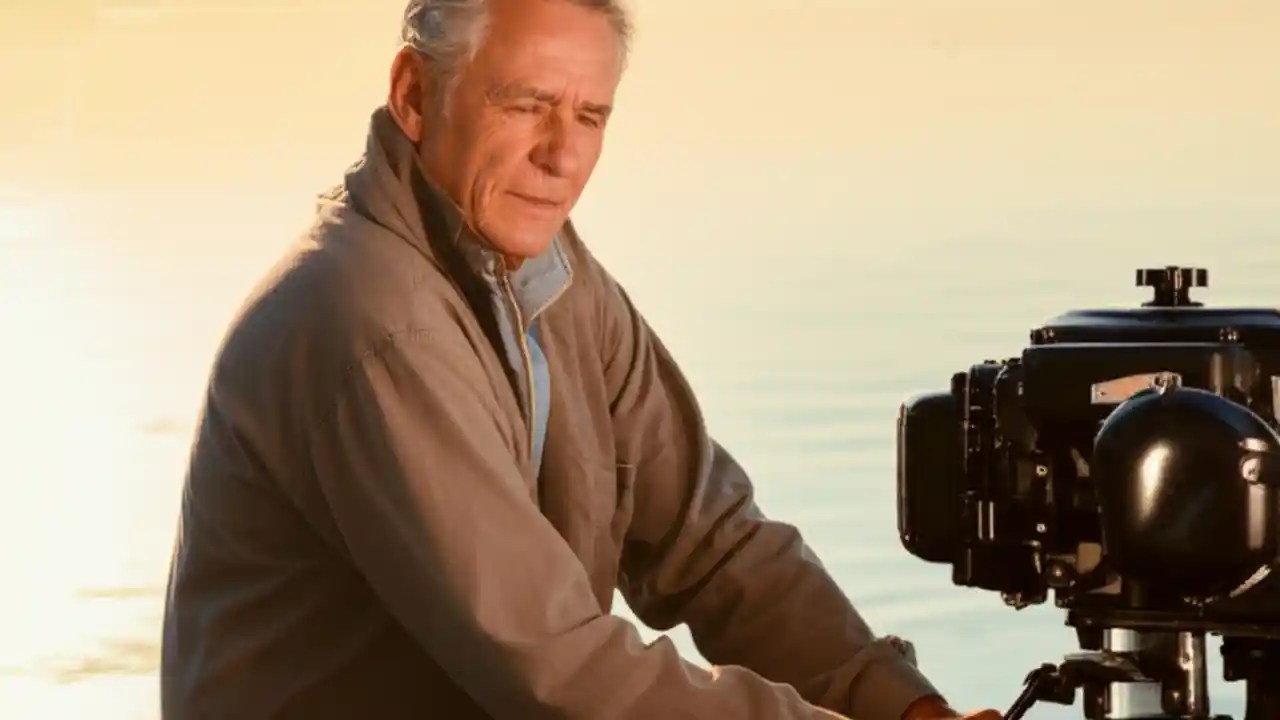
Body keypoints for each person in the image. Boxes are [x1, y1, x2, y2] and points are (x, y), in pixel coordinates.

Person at [159, 1, 1003, 718]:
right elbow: (557, 670)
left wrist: (902, 706)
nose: (562, 157)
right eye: (527, 106)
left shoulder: (545, 271)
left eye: (590, 116)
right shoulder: (373, 323)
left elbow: (710, 544)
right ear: (415, 95)